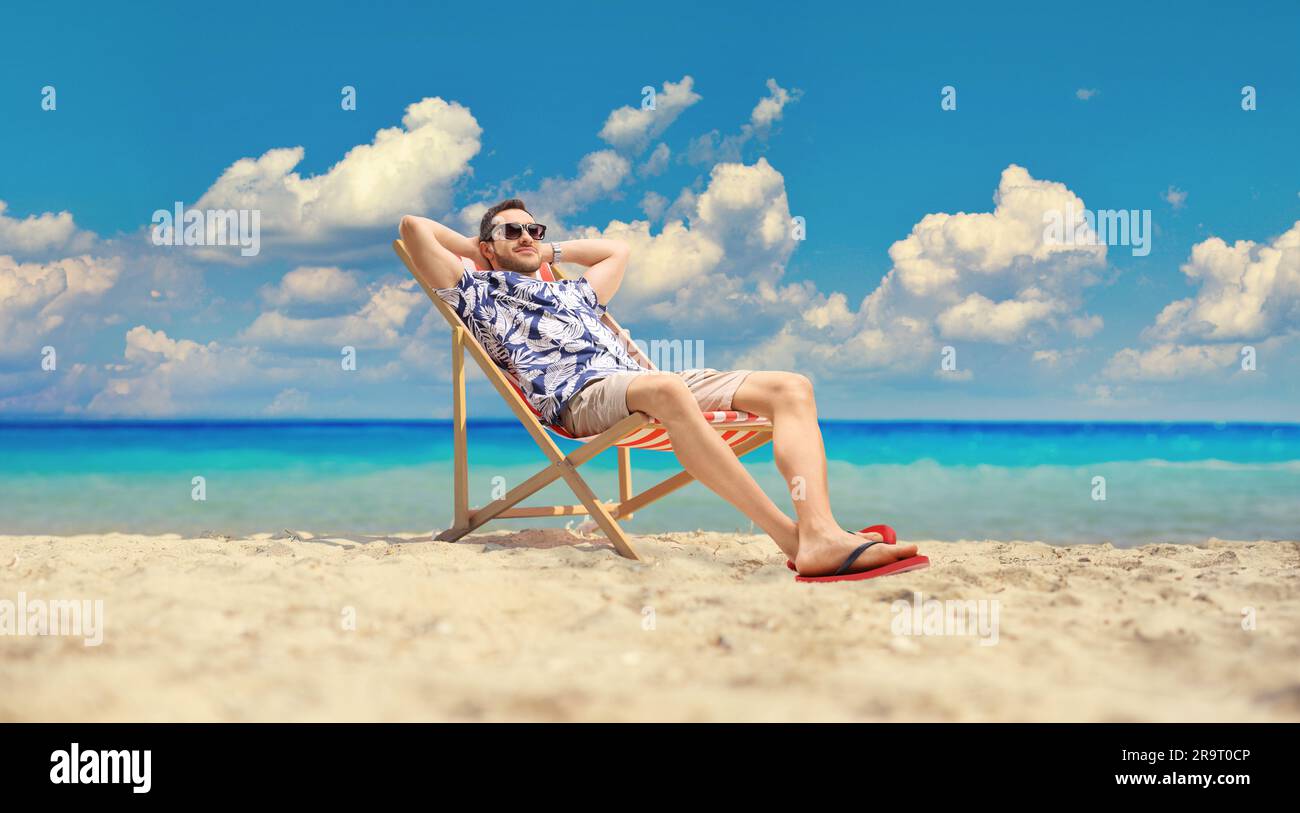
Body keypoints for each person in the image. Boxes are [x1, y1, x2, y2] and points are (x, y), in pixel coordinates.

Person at [399, 198, 924, 579]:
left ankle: (821, 532)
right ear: (487, 246)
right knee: (668, 389)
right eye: (512, 232)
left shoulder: (577, 293)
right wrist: (480, 248)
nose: (527, 237)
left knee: (791, 387)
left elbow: (617, 251)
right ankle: (790, 539)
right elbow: (414, 226)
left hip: (640, 383)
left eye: (533, 229)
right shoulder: (478, 291)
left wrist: (546, 249)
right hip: (579, 397)